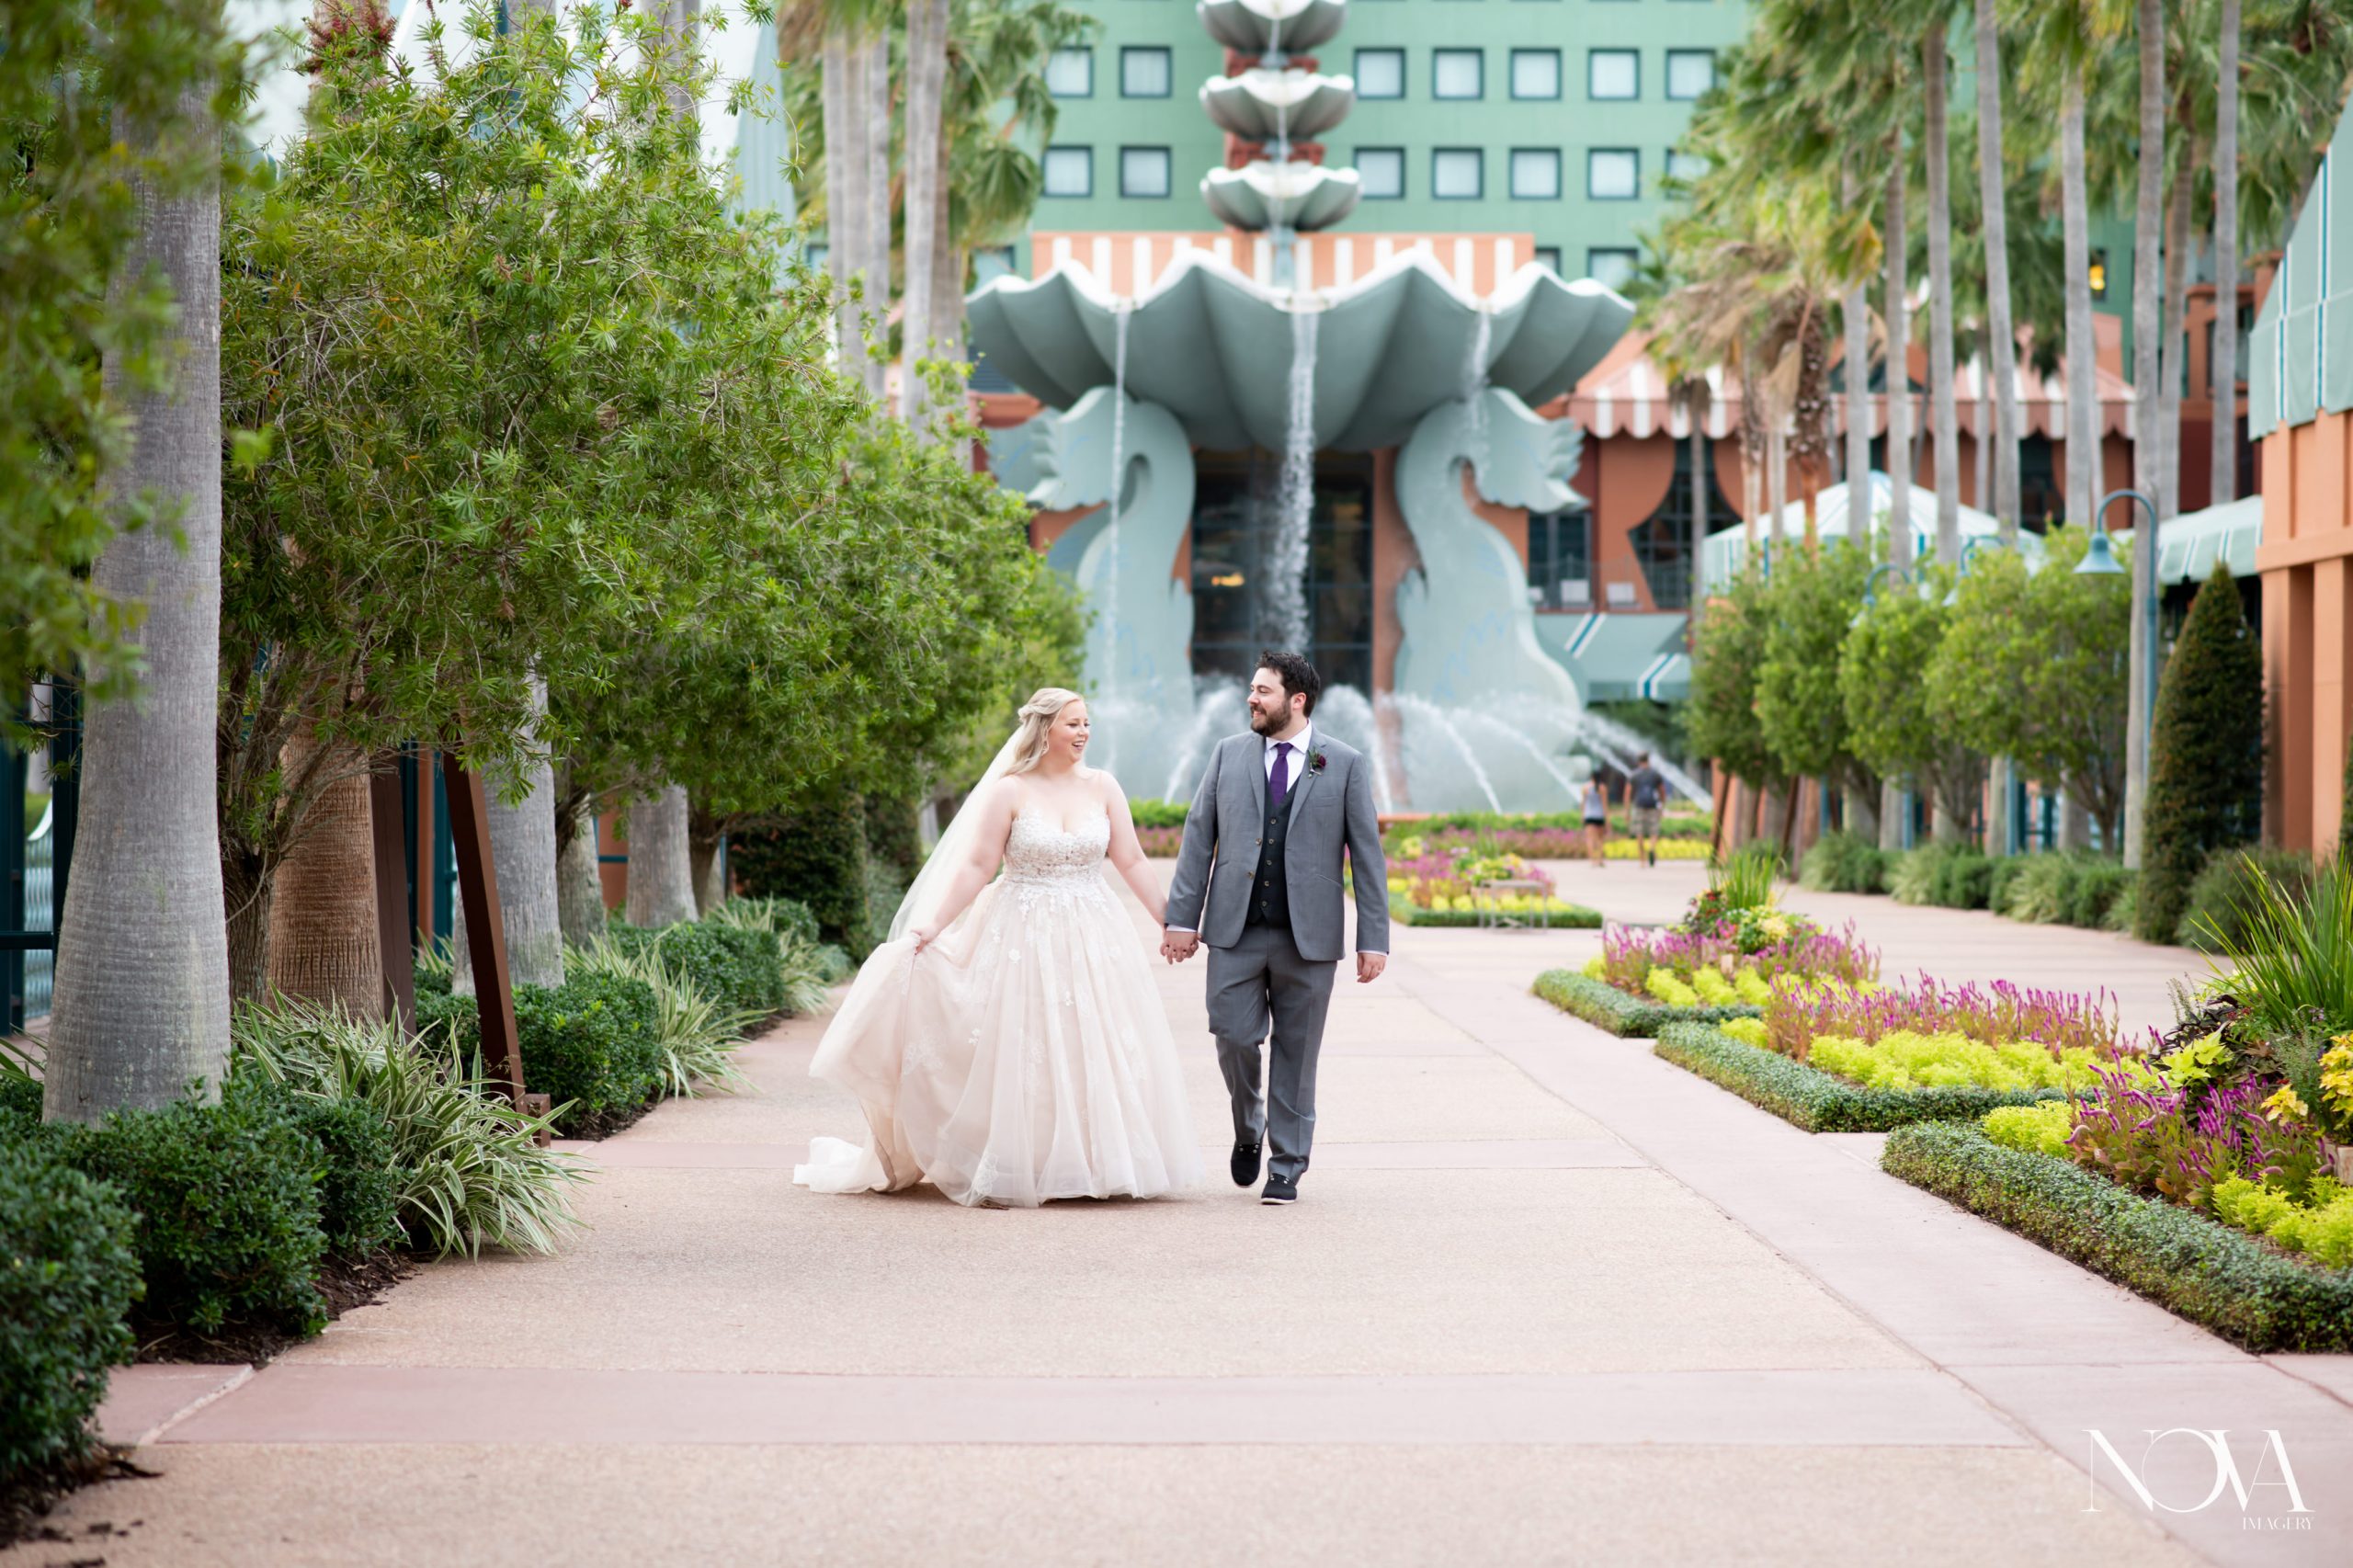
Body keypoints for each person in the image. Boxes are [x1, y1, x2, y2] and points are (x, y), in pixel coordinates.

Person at [793, 688, 1203, 1207]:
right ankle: (1022, 1161)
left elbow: (1134, 860)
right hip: (1022, 934)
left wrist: (1173, 922)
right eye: (1072, 724)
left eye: (1087, 724)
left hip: (1094, 933)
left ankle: (1097, 1162)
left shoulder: (1104, 786)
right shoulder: (1008, 791)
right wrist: (932, 926)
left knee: (1090, 1043)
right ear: (1045, 730)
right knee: (1026, 1044)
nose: (1083, 734)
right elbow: (976, 866)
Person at [1161, 652, 1390, 1206]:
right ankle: (1249, 1124)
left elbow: (1367, 854)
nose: (1251, 699)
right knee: (1233, 1037)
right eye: (1251, 689)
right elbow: (1198, 838)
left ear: (1296, 700)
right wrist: (1181, 919)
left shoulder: (1346, 763)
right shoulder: (1228, 755)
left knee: (1298, 1051)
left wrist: (1373, 937)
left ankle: (1286, 1165)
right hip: (1235, 932)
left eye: (1262, 691)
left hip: (1308, 939)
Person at [1628, 751, 1667, 869]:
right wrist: (1662, 805)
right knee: (1653, 831)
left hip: (1639, 806)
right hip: (1652, 806)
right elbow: (1662, 791)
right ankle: (1652, 848)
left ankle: (1642, 860)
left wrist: (1626, 809)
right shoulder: (1655, 774)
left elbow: (1627, 792)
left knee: (1639, 832)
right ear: (1648, 760)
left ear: (1639, 761)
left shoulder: (1634, 775)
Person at [1581, 772, 1610, 866]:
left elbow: (1583, 803)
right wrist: (1607, 818)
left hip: (1589, 815)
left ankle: (1592, 860)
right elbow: (1605, 804)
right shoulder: (1602, 788)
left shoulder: (1585, 788)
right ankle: (1600, 860)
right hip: (1599, 815)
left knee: (1590, 839)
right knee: (1600, 839)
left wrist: (1582, 815)